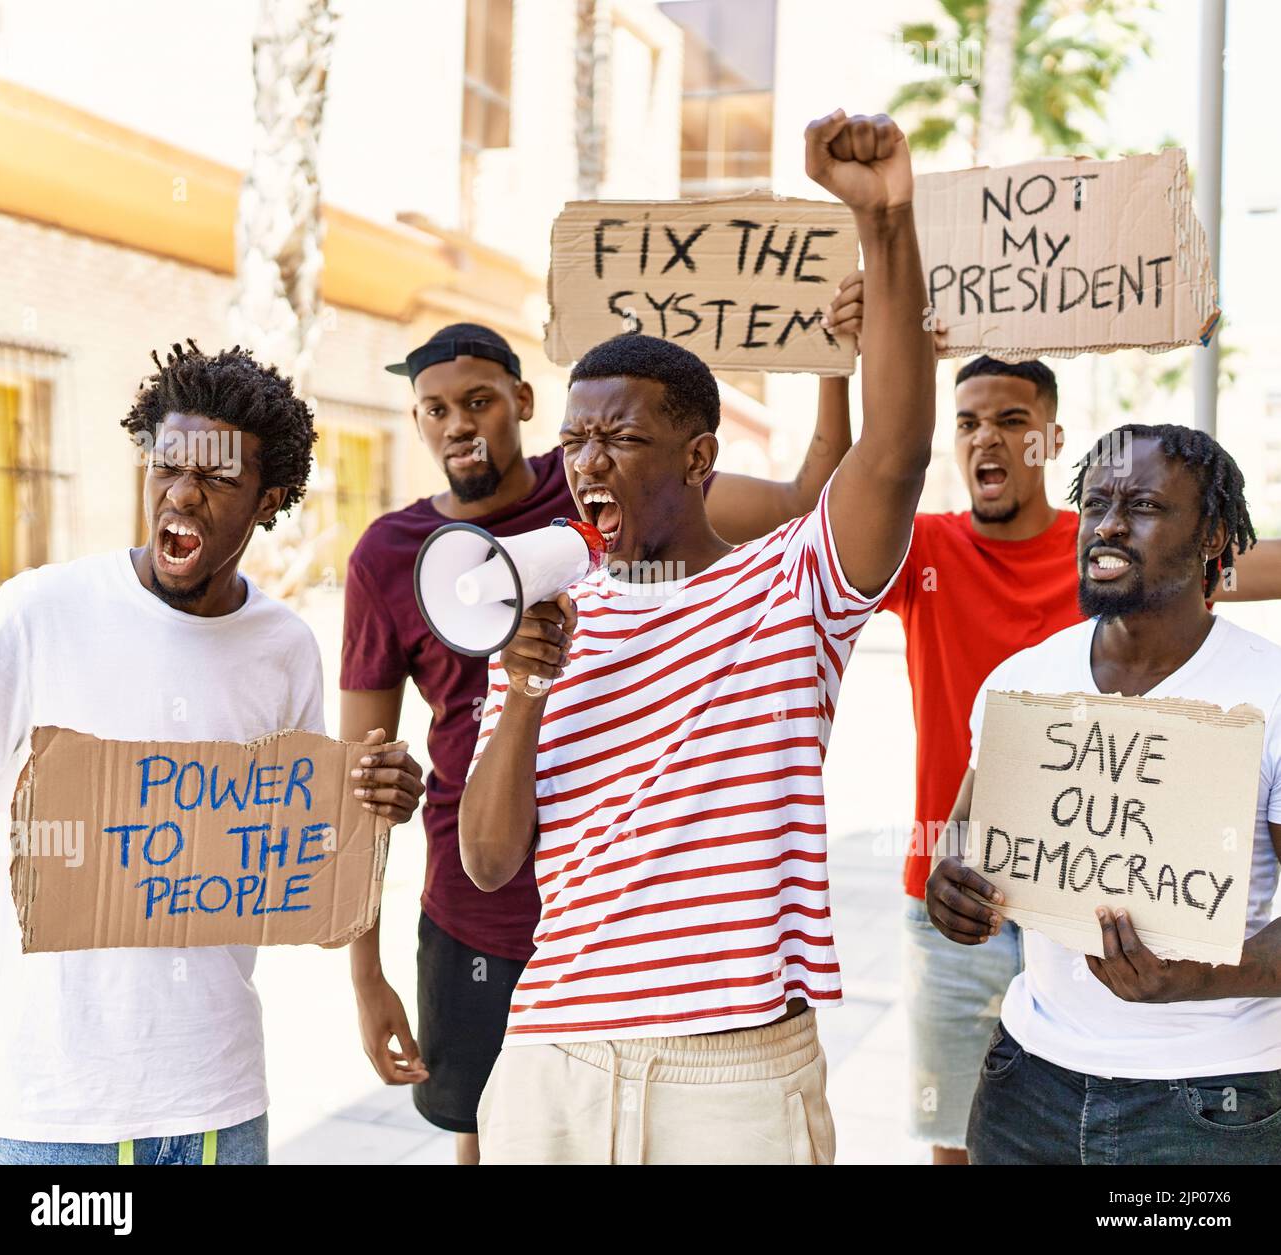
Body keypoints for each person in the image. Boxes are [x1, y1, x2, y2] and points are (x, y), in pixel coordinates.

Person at [456, 109, 932, 1164]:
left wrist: (884, 225)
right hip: (556, 1062)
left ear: (698, 455)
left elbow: (892, 455)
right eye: (574, 439)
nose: (588, 463)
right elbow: (489, 863)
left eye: (622, 437)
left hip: (730, 1078)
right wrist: (525, 687)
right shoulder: (535, 621)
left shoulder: (791, 585)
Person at [343, 284, 862, 1163]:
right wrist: (365, 969)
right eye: (433, 409)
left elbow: (817, 497)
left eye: (479, 401)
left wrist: (835, 362)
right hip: (488, 925)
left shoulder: (604, 490)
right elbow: (372, 764)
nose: (458, 425)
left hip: (668, 987)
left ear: (521, 404)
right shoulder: (390, 554)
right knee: (477, 1124)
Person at [825, 351, 1281, 1164]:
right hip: (1029, 1084)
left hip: (1211, 1102)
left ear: (1211, 534)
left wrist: (1193, 977)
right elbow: (962, 850)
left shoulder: (1267, 693)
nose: (1108, 524)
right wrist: (950, 892)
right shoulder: (1023, 682)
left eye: (1142, 505)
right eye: (1098, 501)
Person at [0, 343, 423, 1165]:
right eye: (168, 464)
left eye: (218, 477)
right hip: (51, 1108)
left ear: (269, 499)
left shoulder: (285, 648)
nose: (181, 493)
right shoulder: (42, 612)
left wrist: (370, 806)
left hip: (215, 1097)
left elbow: (302, 867)